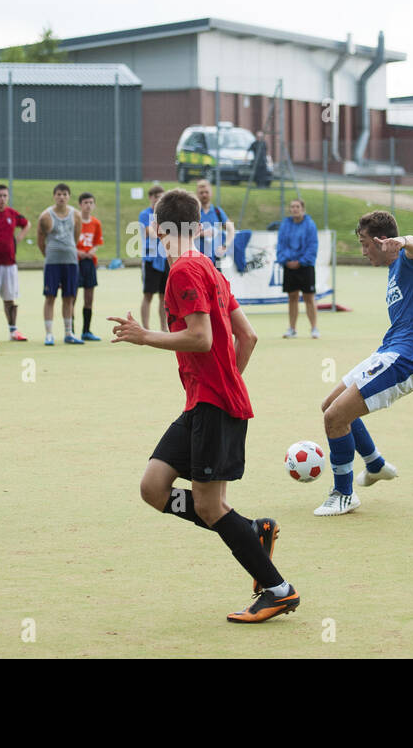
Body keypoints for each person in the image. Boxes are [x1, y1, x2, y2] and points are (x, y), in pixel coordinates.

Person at [109, 187, 299, 623]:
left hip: (213, 406)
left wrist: (146, 337)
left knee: (211, 506)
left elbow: (202, 338)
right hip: (205, 404)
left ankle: (278, 589)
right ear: (199, 226)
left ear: (157, 229)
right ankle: (251, 532)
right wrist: (225, 381)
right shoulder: (209, 268)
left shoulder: (183, 273)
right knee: (154, 489)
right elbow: (247, 337)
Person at [316, 211, 413, 516]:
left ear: (383, 241)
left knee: (335, 418)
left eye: (365, 244)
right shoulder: (395, 270)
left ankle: (343, 493)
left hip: (405, 360)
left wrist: (402, 242)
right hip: (390, 351)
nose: (363, 251)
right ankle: (375, 465)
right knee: (330, 407)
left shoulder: (410, 259)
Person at [0, 184, 30, 342]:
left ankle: (13, 330)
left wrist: (18, 238)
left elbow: (26, 224)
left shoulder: (12, 214)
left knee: (10, 298)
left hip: (9, 263)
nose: (2, 199)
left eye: (5, 196)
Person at [38, 183, 82, 345]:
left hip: (70, 261)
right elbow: (40, 240)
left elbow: (76, 236)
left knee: (69, 297)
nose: (61, 197)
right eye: (58, 194)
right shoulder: (46, 216)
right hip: (53, 262)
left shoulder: (75, 215)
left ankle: (68, 332)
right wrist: (49, 254)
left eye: (64, 194)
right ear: (54, 196)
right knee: (50, 296)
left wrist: (69, 250)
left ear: (69, 196)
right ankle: (49, 333)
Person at [277, 198, 319, 338]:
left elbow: (312, 246)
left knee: (309, 298)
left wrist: (301, 261)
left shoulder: (310, 225)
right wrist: (286, 260)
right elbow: (281, 245)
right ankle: (292, 329)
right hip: (289, 266)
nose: (294, 209)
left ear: (303, 209)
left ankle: (314, 329)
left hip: (305, 266)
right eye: (292, 207)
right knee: (292, 297)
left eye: (297, 206)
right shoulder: (285, 225)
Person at [75, 191, 104, 341]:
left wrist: (91, 251)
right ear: (80, 205)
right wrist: (78, 252)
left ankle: (86, 331)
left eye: (91, 203)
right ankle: (71, 330)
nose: (88, 205)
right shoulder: (74, 221)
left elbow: (98, 242)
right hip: (76, 262)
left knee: (89, 298)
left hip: (89, 263)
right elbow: (69, 241)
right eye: (85, 203)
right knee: (71, 296)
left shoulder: (96, 223)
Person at [138, 184, 168, 330]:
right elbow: (151, 232)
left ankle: (164, 328)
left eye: (162, 197)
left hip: (165, 259)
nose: (159, 200)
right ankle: (146, 328)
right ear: (151, 198)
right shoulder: (145, 214)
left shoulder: (167, 215)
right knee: (148, 295)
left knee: (164, 297)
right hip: (151, 260)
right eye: (156, 197)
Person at [194, 178, 235, 265]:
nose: (204, 195)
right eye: (201, 193)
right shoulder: (192, 212)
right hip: (196, 260)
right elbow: (184, 235)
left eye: (206, 192)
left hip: (215, 260)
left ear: (211, 193)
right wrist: (201, 234)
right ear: (197, 194)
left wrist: (225, 246)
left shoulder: (218, 212)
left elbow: (231, 230)